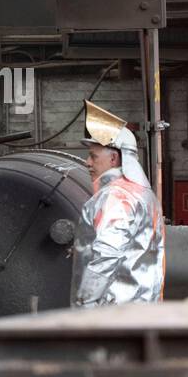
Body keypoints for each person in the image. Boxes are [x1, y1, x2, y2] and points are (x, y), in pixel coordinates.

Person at [71, 100, 166, 307]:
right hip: (140, 307)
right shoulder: (145, 195)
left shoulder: (116, 196)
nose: (87, 163)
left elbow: (106, 256)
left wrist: (84, 304)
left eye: (93, 156)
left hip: (111, 314)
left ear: (114, 158)